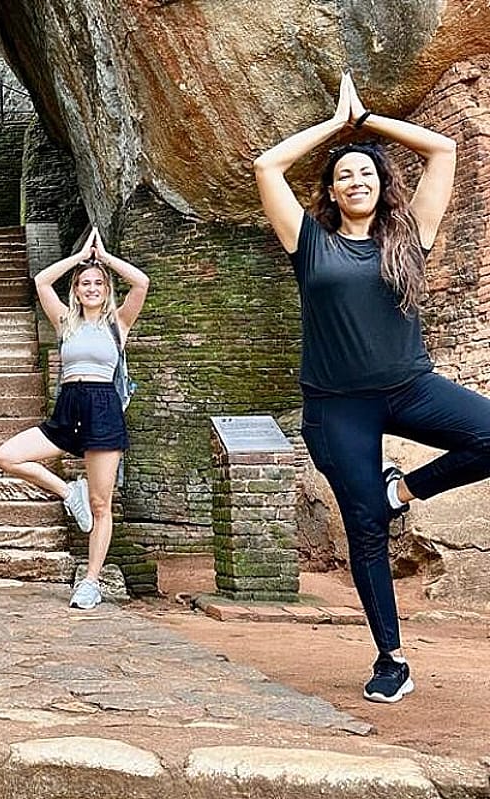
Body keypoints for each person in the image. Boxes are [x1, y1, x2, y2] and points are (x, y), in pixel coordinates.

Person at [254, 72, 490, 703]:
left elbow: (443, 149)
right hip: (338, 408)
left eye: (366, 172)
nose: (356, 180)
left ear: (382, 184)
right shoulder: (309, 242)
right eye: (344, 175)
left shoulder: (409, 237)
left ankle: (400, 490)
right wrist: (336, 126)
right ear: (331, 192)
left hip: (411, 388)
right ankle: (391, 657)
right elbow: (267, 166)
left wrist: (369, 123)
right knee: (365, 528)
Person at [0, 227, 149, 610]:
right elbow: (41, 281)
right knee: (7, 456)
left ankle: (91, 582)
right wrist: (80, 258)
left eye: (98, 283)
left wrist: (104, 259)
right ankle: (68, 493)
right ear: (76, 291)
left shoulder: (119, 323)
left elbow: (141, 282)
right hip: (68, 406)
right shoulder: (64, 321)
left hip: (103, 408)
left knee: (100, 504)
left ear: (107, 290)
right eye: (85, 283)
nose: (92, 288)